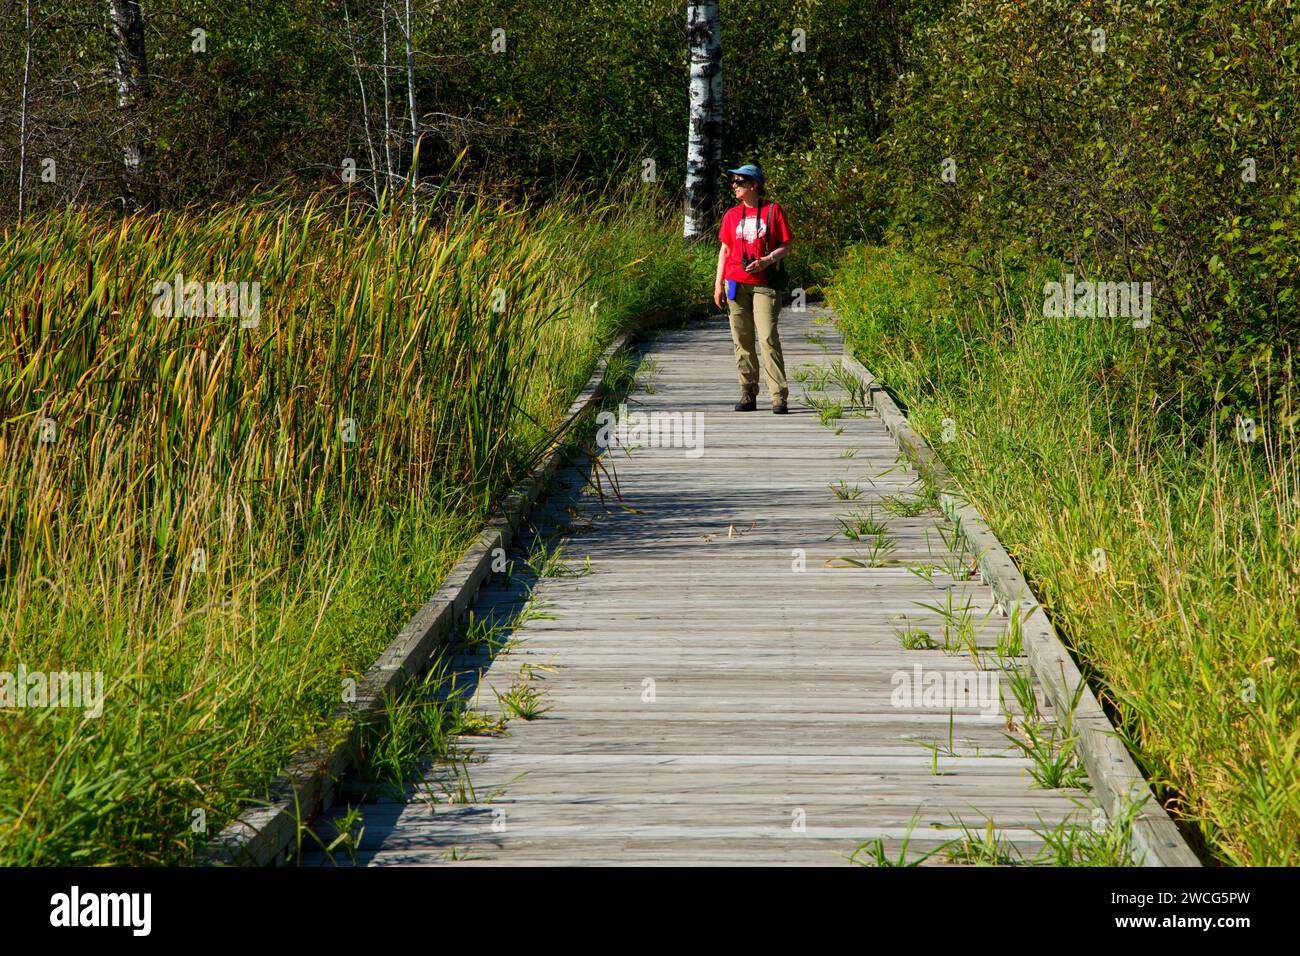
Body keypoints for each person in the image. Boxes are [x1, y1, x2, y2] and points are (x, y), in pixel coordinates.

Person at [712, 163, 792, 414]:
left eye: (739, 182)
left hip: (764, 284)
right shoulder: (731, 215)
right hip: (735, 282)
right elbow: (724, 250)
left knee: (767, 337)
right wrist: (718, 285)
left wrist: (767, 260)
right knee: (742, 340)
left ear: (753, 185)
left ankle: (778, 396)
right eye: (733, 182)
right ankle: (748, 394)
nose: (734, 186)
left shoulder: (772, 211)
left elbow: (787, 246)